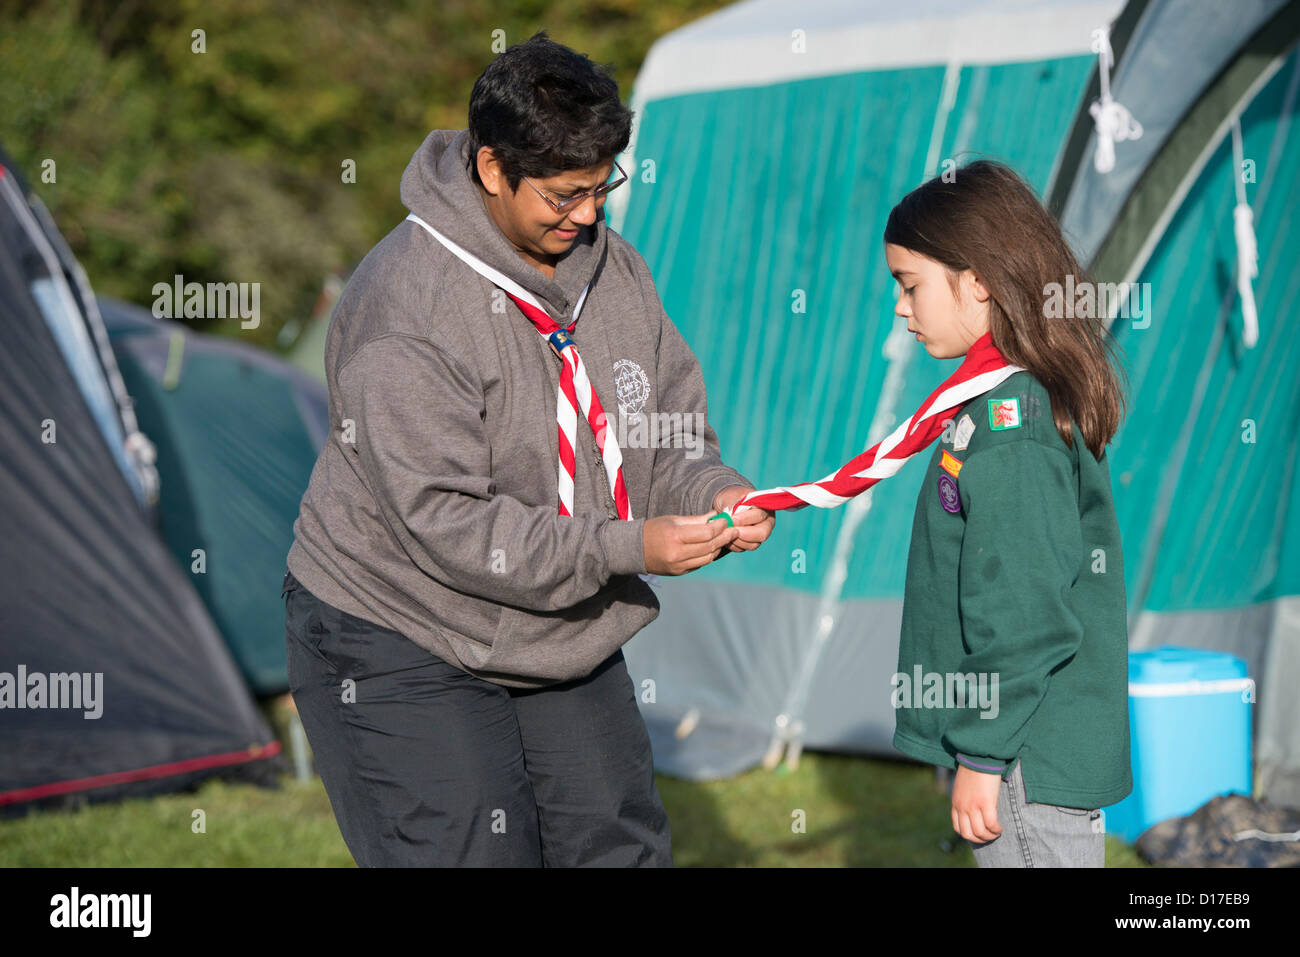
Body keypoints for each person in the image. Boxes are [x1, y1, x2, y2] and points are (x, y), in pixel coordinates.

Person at [282, 32, 774, 867]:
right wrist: (632, 545)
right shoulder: (407, 306)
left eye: (600, 187)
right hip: (402, 624)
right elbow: (447, 523)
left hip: (556, 618)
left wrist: (708, 490)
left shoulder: (613, 268)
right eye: (562, 195)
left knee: (615, 844)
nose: (586, 214)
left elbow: (663, 426)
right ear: (489, 170)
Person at [884, 160, 1132, 867]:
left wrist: (984, 752)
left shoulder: (1010, 419)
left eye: (910, 285)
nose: (902, 308)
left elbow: (1027, 613)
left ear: (979, 280)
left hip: (1026, 752)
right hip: (1030, 743)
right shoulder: (1004, 404)